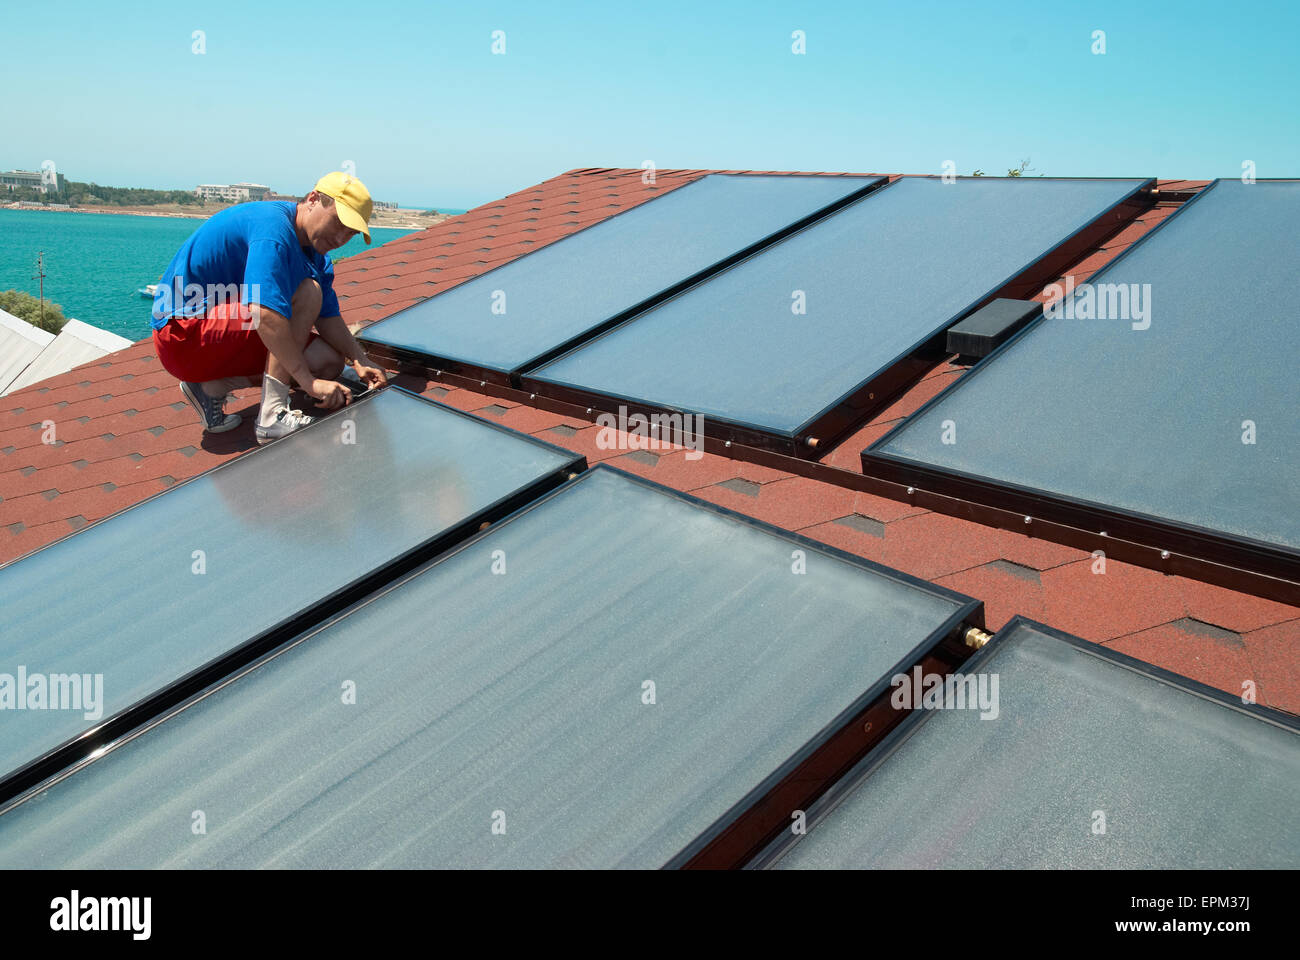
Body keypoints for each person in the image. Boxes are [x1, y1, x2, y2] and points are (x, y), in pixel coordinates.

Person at [151, 171, 389, 444]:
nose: (340, 238)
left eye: (351, 233)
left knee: (328, 363)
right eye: (338, 223)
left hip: (218, 337)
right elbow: (263, 314)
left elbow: (328, 318)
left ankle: (210, 387)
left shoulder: (315, 252)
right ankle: (272, 415)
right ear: (313, 199)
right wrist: (308, 383)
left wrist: (360, 360)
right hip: (182, 335)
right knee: (308, 294)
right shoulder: (272, 229)